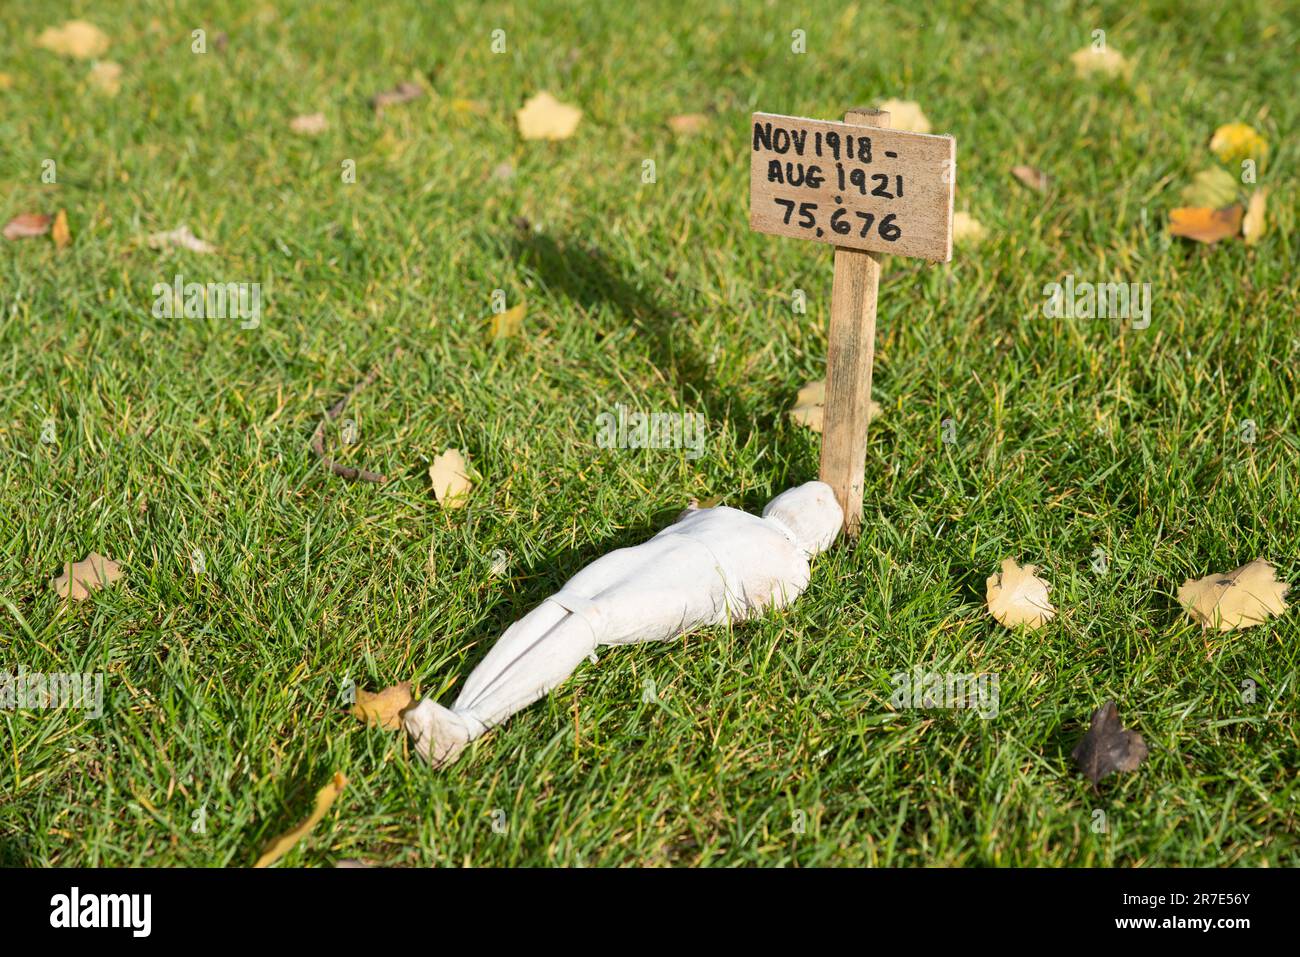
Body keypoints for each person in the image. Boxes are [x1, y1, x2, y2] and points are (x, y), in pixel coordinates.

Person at [404, 481, 844, 766]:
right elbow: (756, 603)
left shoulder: (773, 550)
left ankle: (468, 722)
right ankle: (462, 715)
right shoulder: (768, 546)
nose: (809, 503)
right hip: (674, 568)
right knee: (574, 610)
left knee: (583, 614)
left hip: (685, 581)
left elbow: (751, 599)